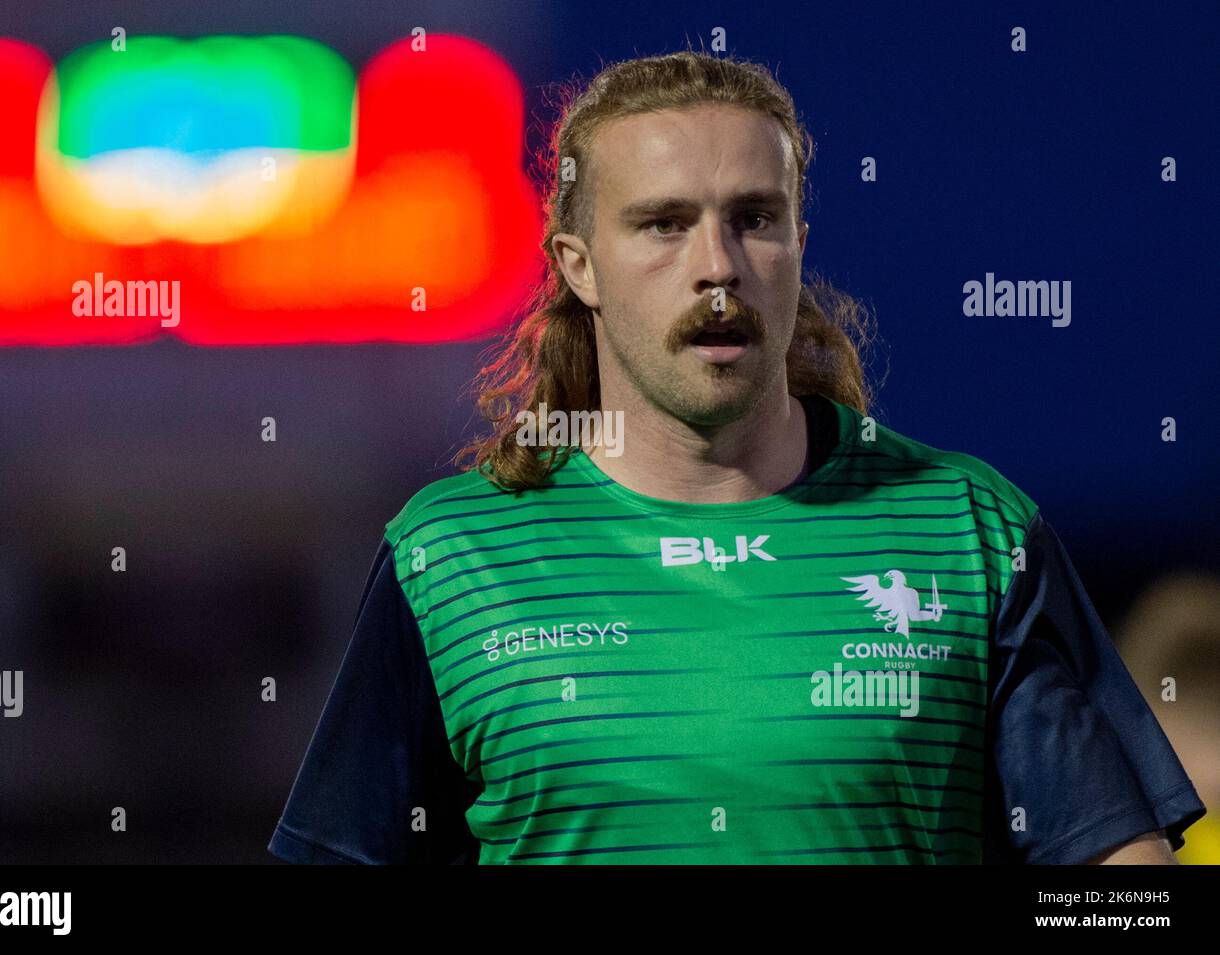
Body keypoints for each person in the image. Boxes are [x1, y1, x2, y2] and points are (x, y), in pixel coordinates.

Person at [268, 50, 1205, 864]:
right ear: (577, 263)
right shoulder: (452, 557)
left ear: (799, 240)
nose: (718, 265)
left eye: (755, 218)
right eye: (664, 224)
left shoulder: (969, 529)